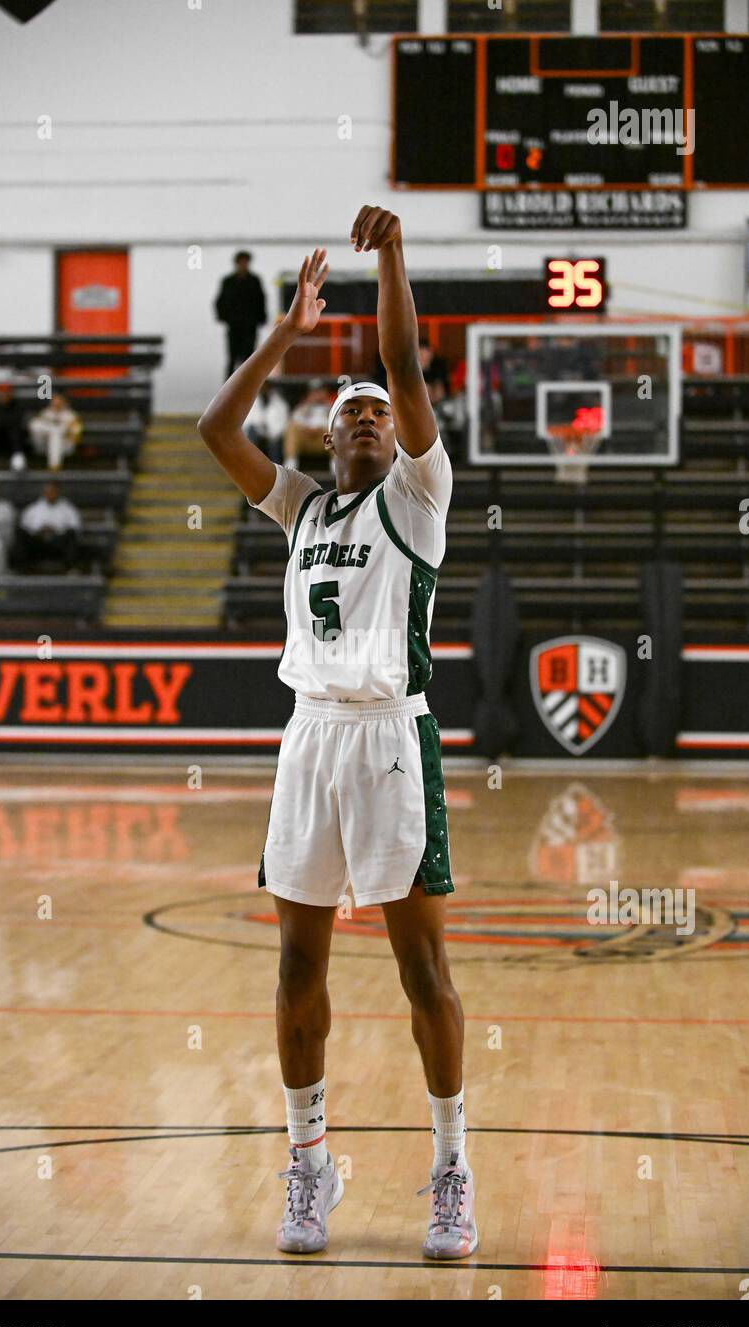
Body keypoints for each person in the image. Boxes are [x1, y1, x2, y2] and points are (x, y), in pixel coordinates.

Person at [198, 206, 475, 1262]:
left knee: (422, 974)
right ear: (324, 435)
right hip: (308, 742)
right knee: (295, 974)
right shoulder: (301, 508)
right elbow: (215, 434)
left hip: (391, 745)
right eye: (348, 411)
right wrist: (285, 329)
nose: (366, 417)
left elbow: (404, 366)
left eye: (377, 410)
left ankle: (450, 1169)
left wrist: (391, 256)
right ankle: (308, 1164)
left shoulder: (418, 493)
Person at [215, 250, 268, 378]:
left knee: (249, 358)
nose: (243, 265)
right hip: (234, 326)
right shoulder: (228, 281)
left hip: (250, 326)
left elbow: (261, 300)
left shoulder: (254, 280)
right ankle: (228, 389)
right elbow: (220, 301)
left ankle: (246, 386)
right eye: (241, 262)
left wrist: (260, 318)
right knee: (232, 358)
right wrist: (224, 317)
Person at [15, 480, 81, 571]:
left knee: (71, 534)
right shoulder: (33, 508)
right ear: (43, 493)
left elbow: (75, 528)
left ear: (58, 492)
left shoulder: (68, 508)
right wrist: (39, 531)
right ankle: (20, 569)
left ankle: (71, 569)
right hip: (38, 542)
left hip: (58, 542)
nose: (51, 494)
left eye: (53, 491)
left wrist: (56, 531)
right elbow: (24, 527)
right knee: (20, 533)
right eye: (48, 492)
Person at [282, 378, 334, 470]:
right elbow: (294, 420)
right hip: (305, 440)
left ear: (325, 392)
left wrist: (321, 428)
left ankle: (335, 465)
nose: (317, 395)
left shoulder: (331, 407)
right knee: (291, 427)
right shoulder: (303, 407)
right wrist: (305, 428)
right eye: (314, 392)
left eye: (319, 391)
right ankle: (290, 465)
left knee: (334, 430)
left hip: (323, 440)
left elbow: (337, 422)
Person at [27, 393, 83, 470]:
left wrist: (65, 430)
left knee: (56, 434)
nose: (56, 403)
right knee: (35, 425)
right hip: (44, 446)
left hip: (65, 446)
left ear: (64, 402)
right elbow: (34, 427)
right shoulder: (46, 413)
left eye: (59, 401)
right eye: (54, 400)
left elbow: (77, 432)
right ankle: (53, 469)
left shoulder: (70, 415)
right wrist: (50, 430)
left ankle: (54, 470)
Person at [244, 379, 289, 465]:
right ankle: (250, 464)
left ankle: (277, 470)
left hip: (274, 433)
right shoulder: (252, 400)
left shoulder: (279, 402)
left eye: (265, 387)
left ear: (269, 388)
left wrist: (273, 434)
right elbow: (247, 420)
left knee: (274, 443)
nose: (263, 389)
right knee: (251, 431)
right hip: (257, 431)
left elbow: (283, 422)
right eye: (261, 387)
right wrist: (260, 426)